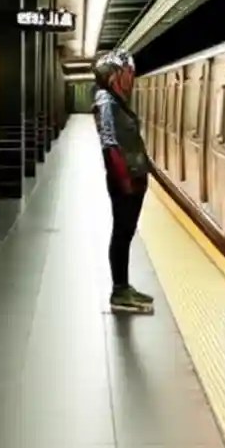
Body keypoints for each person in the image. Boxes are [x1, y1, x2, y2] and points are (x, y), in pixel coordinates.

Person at [92, 49, 155, 313]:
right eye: (128, 72)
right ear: (115, 74)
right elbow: (110, 145)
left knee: (126, 234)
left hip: (132, 179)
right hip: (124, 182)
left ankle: (125, 286)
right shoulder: (107, 102)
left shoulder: (117, 100)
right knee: (121, 234)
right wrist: (125, 181)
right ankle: (119, 291)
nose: (132, 77)